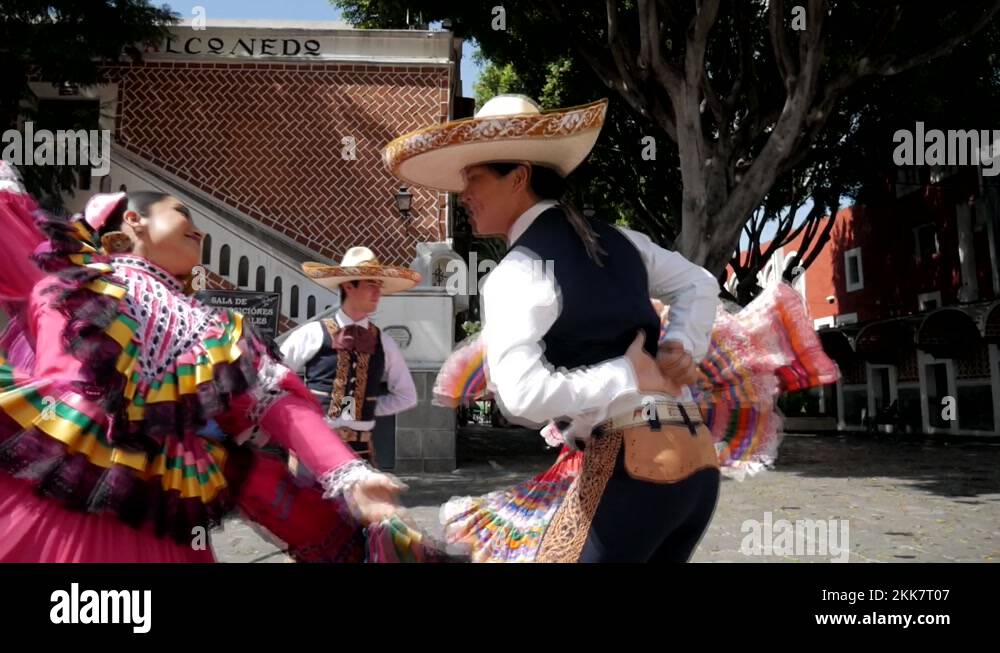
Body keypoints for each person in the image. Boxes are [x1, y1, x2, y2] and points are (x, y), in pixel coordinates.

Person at [0, 162, 406, 562]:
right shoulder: (71, 281)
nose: (200, 228)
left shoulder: (218, 328)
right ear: (134, 221)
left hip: (160, 506)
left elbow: (273, 402)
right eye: (181, 212)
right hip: (51, 473)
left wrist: (347, 472)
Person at [383, 95, 723, 562]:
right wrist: (682, 344)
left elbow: (521, 397)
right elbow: (699, 283)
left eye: (474, 178)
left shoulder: (517, 272)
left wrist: (626, 376)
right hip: (696, 466)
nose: (463, 195)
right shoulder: (621, 239)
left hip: (634, 469)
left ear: (518, 176)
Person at [282, 246, 419, 471]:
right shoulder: (313, 333)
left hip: (360, 453)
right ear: (348, 285)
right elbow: (274, 377)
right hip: (315, 446)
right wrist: (301, 413)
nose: (377, 293)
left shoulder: (384, 342)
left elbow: (407, 396)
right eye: (370, 285)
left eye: (379, 286)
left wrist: (366, 406)